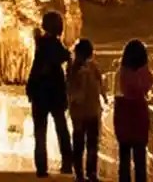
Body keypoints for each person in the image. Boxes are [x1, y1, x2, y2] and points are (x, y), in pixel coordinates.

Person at [26, 11, 73, 178]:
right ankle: (67, 163)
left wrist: (30, 89)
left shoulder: (42, 44)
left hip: (40, 93)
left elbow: (36, 68)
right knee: (61, 128)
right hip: (54, 93)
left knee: (40, 131)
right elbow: (65, 56)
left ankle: (41, 167)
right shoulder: (53, 45)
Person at [113, 39, 153, 182]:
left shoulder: (120, 71)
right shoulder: (143, 73)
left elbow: (119, 90)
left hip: (122, 112)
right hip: (138, 111)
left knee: (124, 154)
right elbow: (147, 87)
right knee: (140, 154)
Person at [67, 39, 106, 182]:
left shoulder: (75, 68)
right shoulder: (77, 69)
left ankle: (83, 173)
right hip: (89, 110)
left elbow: (99, 85)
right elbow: (100, 85)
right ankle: (87, 172)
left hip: (82, 111)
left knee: (83, 143)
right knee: (88, 143)